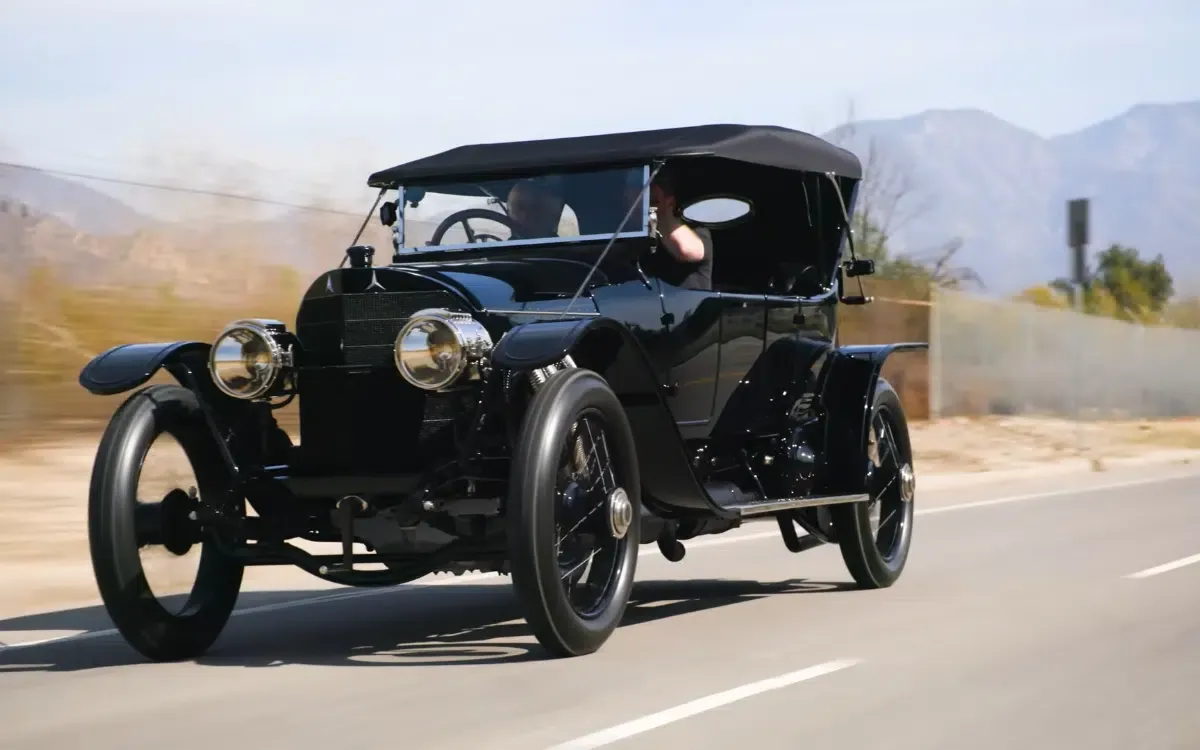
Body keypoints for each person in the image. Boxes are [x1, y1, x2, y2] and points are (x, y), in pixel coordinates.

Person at [647, 169, 713, 291]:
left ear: (671, 202)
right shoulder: (629, 235)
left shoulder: (696, 231)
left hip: (687, 308)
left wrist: (659, 211)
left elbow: (687, 251)